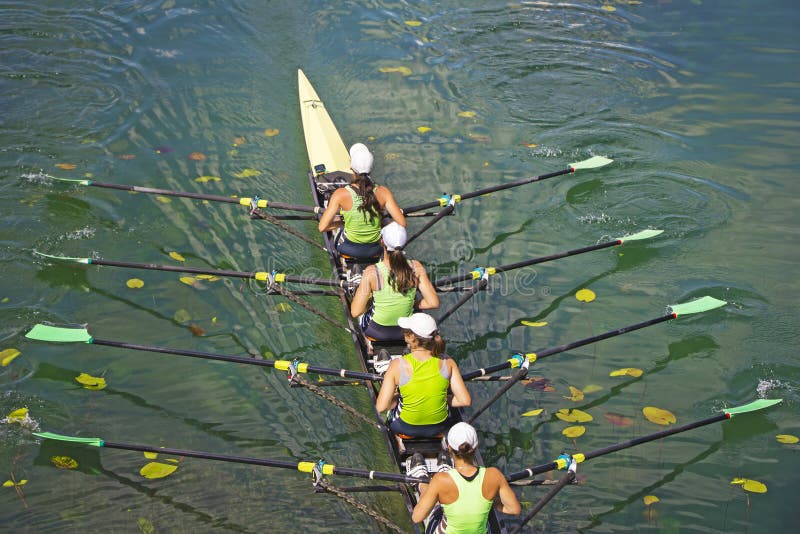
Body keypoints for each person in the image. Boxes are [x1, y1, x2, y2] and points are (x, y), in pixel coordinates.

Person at [412, 422, 521, 533]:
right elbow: (514, 509)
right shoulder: (494, 475)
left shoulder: (440, 480)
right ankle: (444, 470)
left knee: (432, 495)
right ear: (476, 447)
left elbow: (417, 517)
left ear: (449, 448)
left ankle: (421, 483)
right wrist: (491, 500)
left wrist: (432, 493)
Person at [375, 313, 470, 438]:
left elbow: (381, 407)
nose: (403, 332)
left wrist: (396, 397)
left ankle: (384, 374)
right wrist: (441, 398)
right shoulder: (448, 362)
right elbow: (464, 400)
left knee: (392, 402)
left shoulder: (397, 365)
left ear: (411, 337)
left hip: (403, 426)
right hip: (440, 426)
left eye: (405, 331)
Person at [350, 222, 439, 342]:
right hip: (405, 332)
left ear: (382, 242)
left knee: (361, 301)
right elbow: (433, 303)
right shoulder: (416, 267)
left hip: (375, 332)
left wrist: (369, 300)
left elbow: (355, 312)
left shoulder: (372, 272)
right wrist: (414, 304)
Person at [317, 143, 406, 259]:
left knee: (336, 217)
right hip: (377, 248)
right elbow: (402, 224)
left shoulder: (340, 194)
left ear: (351, 167)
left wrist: (342, 223)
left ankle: (344, 265)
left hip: (348, 248)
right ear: (372, 168)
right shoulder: (383, 192)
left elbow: (322, 227)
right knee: (383, 219)